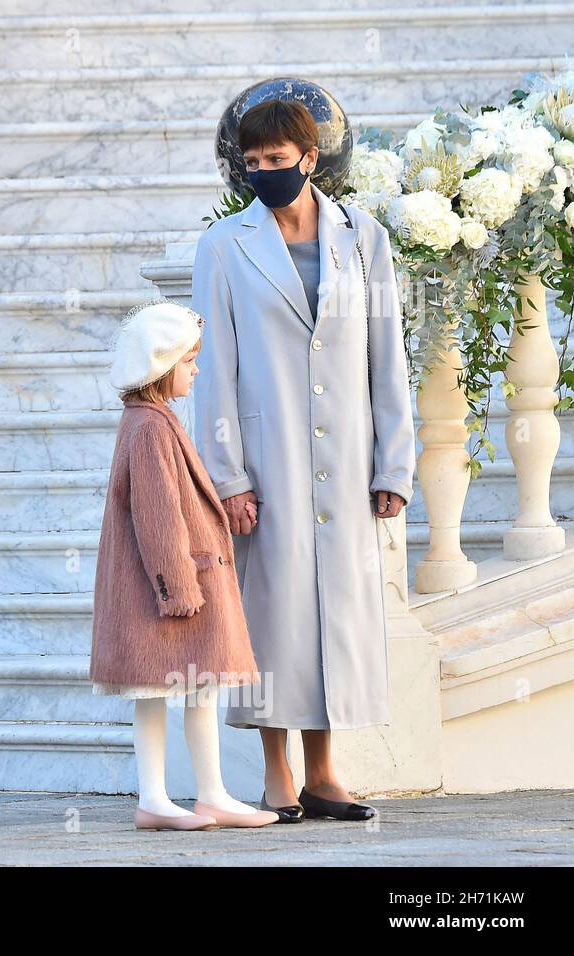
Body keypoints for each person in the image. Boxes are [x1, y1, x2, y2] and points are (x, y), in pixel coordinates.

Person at [190, 99, 417, 822]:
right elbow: (215, 367)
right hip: (268, 458)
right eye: (252, 164)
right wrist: (227, 476)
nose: (264, 173)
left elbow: (391, 357)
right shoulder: (224, 247)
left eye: (276, 160)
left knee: (337, 617)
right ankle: (275, 772)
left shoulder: (364, 239)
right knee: (274, 614)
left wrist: (393, 465)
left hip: (346, 458)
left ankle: (325, 774)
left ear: (309, 158)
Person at [91, 300, 276, 831]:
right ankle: (154, 797)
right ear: (162, 364)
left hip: (177, 582)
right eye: (190, 362)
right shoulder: (150, 428)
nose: (196, 371)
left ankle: (211, 793)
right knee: (152, 689)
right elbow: (157, 516)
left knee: (200, 685)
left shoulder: (153, 421)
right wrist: (177, 586)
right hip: (170, 586)